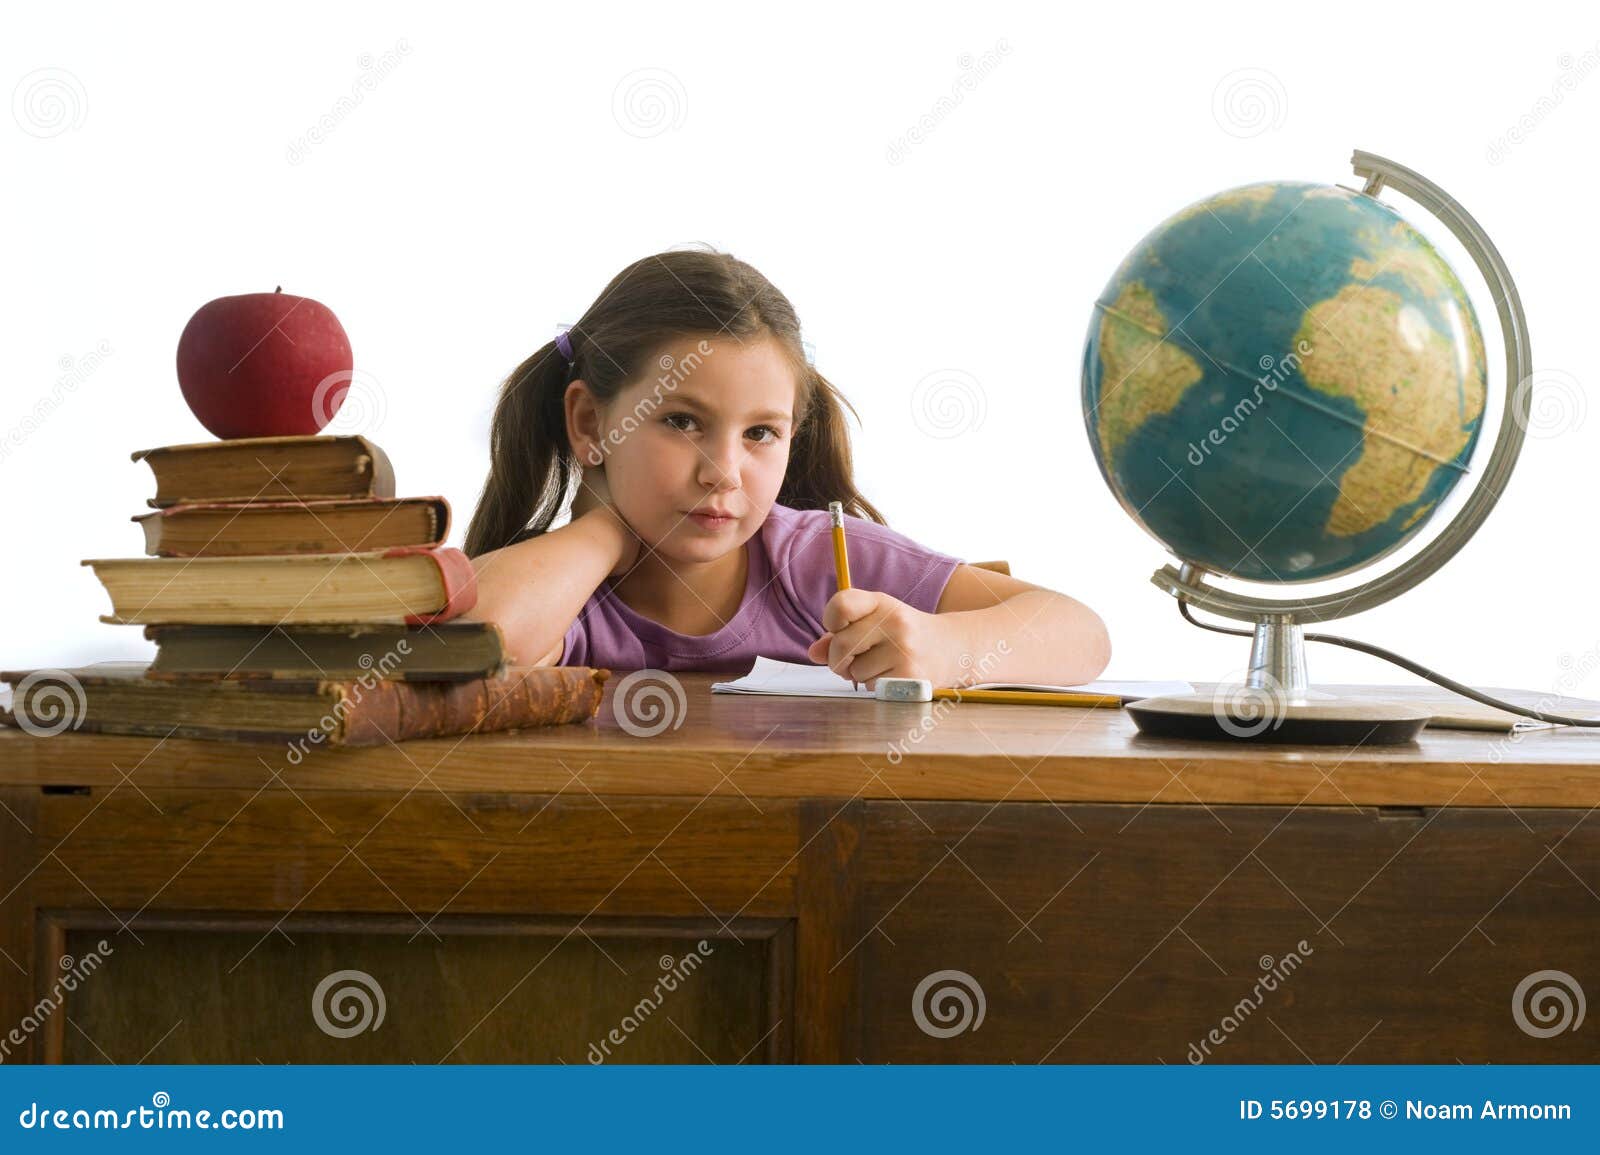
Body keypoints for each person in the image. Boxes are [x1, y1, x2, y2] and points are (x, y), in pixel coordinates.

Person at [462, 248, 1110, 688]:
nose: (723, 471)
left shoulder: (815, 564)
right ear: (589, 423)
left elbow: (1081, 633)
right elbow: (474, 642)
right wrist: (605, 532)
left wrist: (946, 649)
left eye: (761, 433)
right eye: (682, 421)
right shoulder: (563, 591)